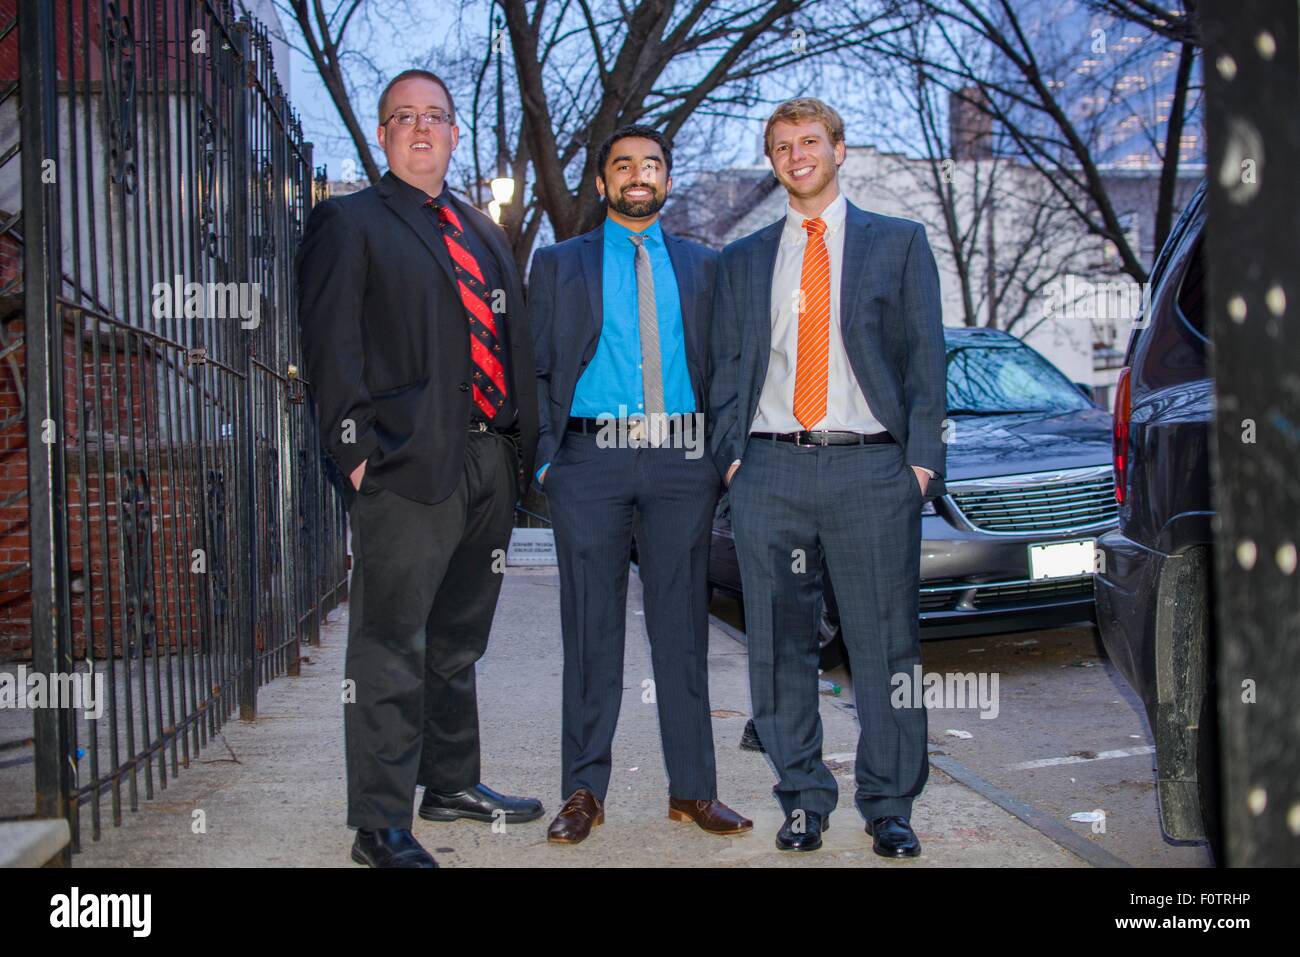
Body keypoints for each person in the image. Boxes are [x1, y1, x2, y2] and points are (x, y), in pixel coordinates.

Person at [296, 69, 543, 868]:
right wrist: (357, 459)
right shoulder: (348, 221)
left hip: (486, 461)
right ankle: (378, 823)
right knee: (389, 643)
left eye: (435, 115)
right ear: (383, 133)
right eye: (404, 117)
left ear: (454, 132)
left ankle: (450, 783)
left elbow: (512, 345)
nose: (421, 128)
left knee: (457, 641)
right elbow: (331, 351)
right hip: (404, 467)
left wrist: (517, 454)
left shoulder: (483, 230)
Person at [707, 98, 947, 857]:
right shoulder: (741, 261)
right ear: (772, 161)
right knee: (778, 646)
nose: (796, 154)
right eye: (781, 145)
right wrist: (733, 458)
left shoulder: (899, 244)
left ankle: (890, 803)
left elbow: (925, 365)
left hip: (871, 466)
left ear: (839, 150)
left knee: (887, 645)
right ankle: (803, 795)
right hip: (771, 466)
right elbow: (724, 370)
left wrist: (918, 465)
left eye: (809, 140)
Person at [529, 125, 752, 845]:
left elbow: (730, 365)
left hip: (681, 460)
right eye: (622, 164)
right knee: (590, 631)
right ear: (601, 183)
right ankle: (583, 791)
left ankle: (693, 790)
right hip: (589, 459)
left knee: (682, 631)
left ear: (666, 177)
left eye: (650, 163)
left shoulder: (703, 265)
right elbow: (532, 365)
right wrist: (545, 461)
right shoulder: (558, 264)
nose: (637, 174)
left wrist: (721, 455)